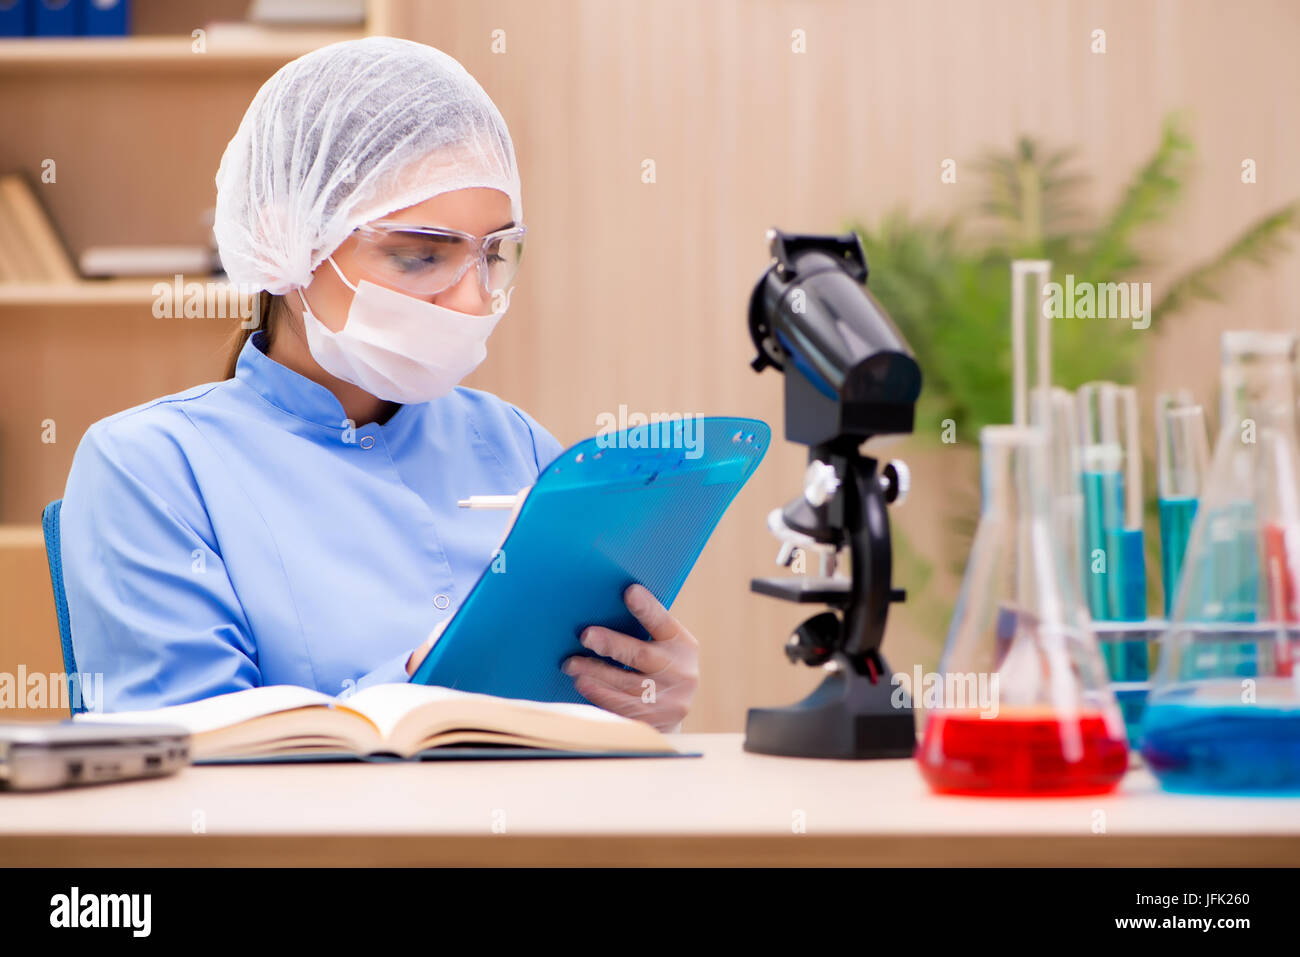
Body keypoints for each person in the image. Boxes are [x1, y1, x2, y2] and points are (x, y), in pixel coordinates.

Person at [58, 37, 698, 731]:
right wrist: (418, 686)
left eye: (494, 256)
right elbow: (191, 774)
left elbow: (579, 727)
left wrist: (641, 697)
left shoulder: (517, 444)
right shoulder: (151, 468)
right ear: (287, 243)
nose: (471, 300)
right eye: (421, 255)